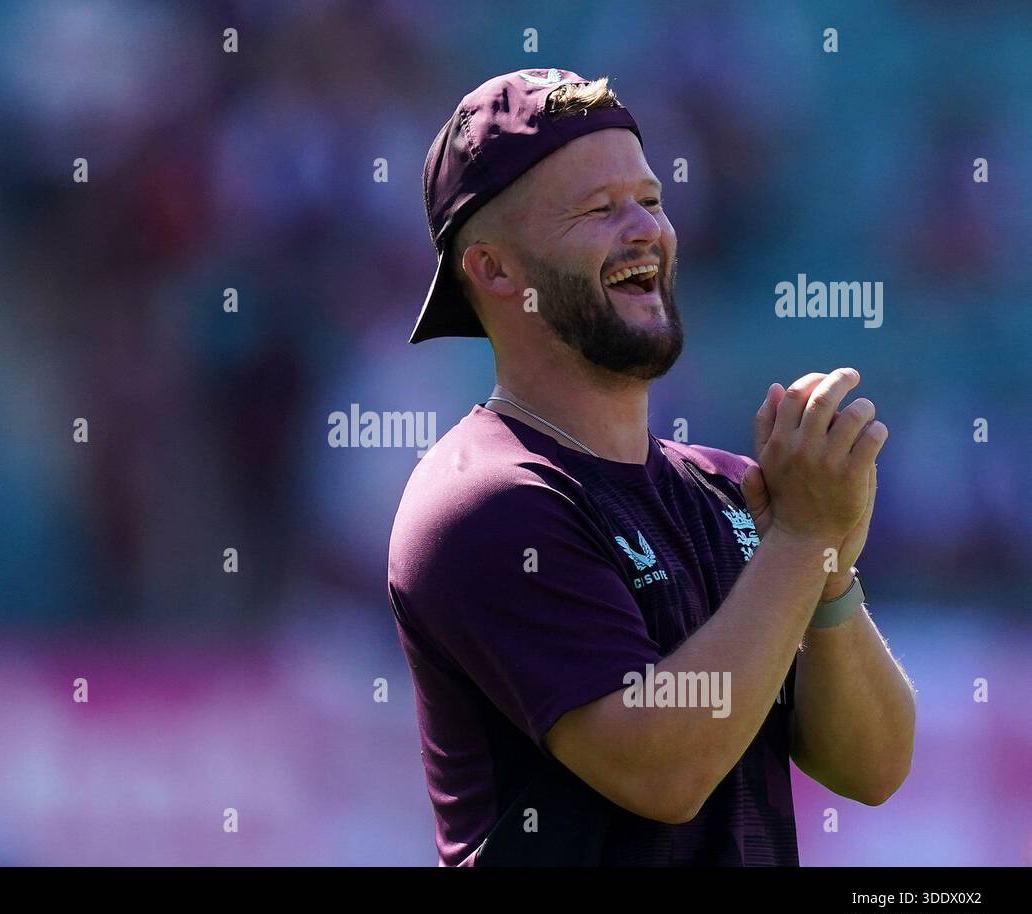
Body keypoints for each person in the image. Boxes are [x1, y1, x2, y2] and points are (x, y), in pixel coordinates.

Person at [387, 68, 916, 866]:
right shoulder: (487, 501)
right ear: (495, 271)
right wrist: (803, 543)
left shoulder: (723, 489)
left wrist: (829, 571)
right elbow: (664, 770)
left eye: (653, 201)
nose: (647, 231)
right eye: (599, 210)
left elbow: (872, 768)